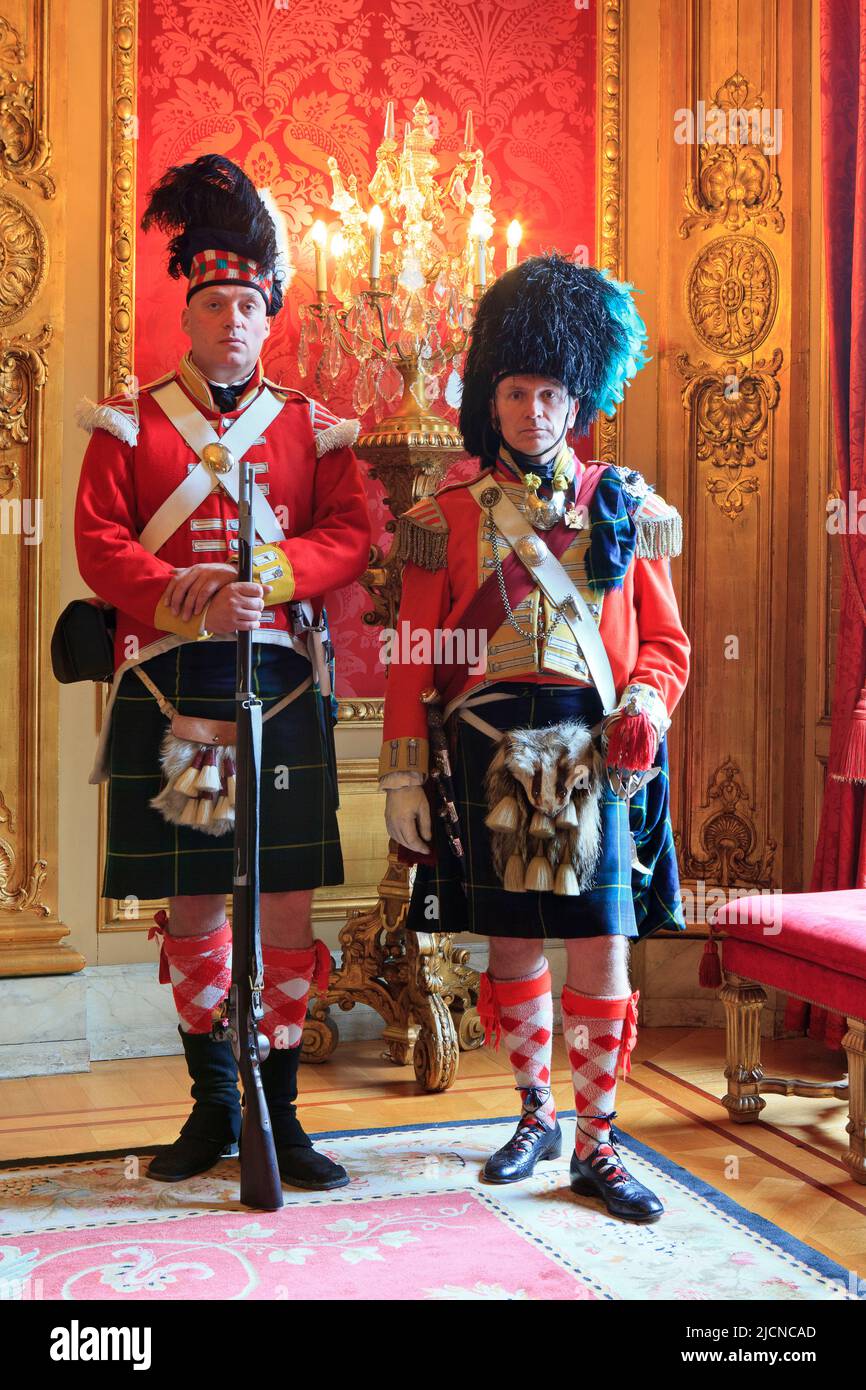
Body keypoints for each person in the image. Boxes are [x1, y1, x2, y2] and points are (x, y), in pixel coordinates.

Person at [74, 155, 371, 1190]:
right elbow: (99, 544)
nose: (232, 319)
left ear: (266, 313)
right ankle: (213, 1107)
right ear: (187, 312)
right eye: (213, 302)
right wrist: (184, 589)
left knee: (283, 905)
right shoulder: (128, 421)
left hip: (280, 695)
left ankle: (280, 1117)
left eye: (248, 302)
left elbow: (353, 534)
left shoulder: (308, 423)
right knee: (198, 904)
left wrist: (278, 572)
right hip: (176, 696)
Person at [379, 253, 690, 1222]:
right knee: (510, 944)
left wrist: (644, 698)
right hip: (487, 746)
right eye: (514, 392)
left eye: (548, 393)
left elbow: (668, 643)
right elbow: (411, 658)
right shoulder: (442, 519)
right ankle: (531, 1115)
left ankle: (597, 1145)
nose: (532, 411)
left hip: (596, 752)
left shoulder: (620, 506)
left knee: (600, 946)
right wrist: (399, 775)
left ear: (573, 398)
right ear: (493, 397)